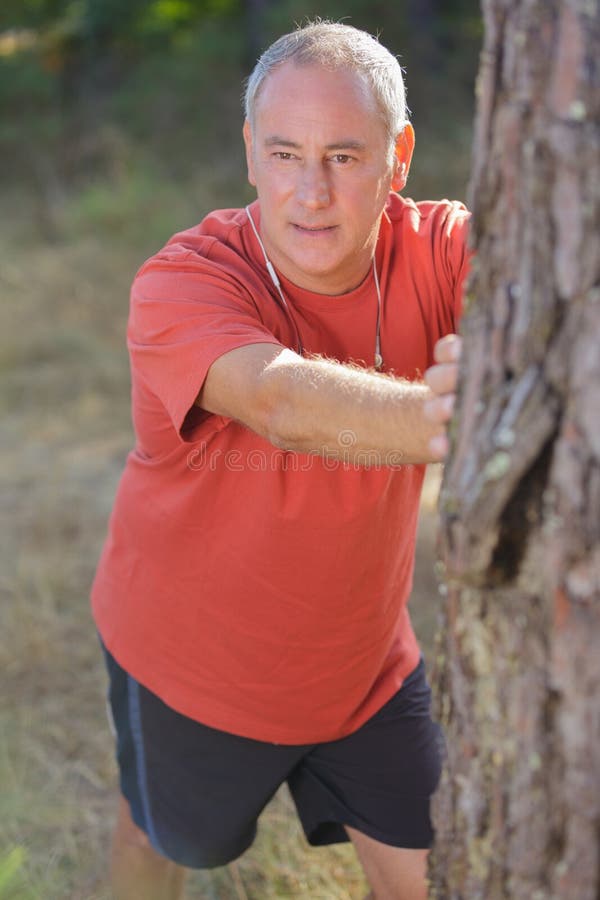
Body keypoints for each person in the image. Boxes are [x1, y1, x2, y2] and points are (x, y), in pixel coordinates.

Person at [91, 19, 467, 900]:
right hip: (196, 667)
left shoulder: (440, 248)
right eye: (286, 153)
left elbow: (536, 289)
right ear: (250, 153)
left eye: (343, 155)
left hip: (367, 665)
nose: (311, 193)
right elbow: (280, 400)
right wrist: (481, 415)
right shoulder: (183, 281)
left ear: (398, 154)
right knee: (162, 841)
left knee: (443, 874)